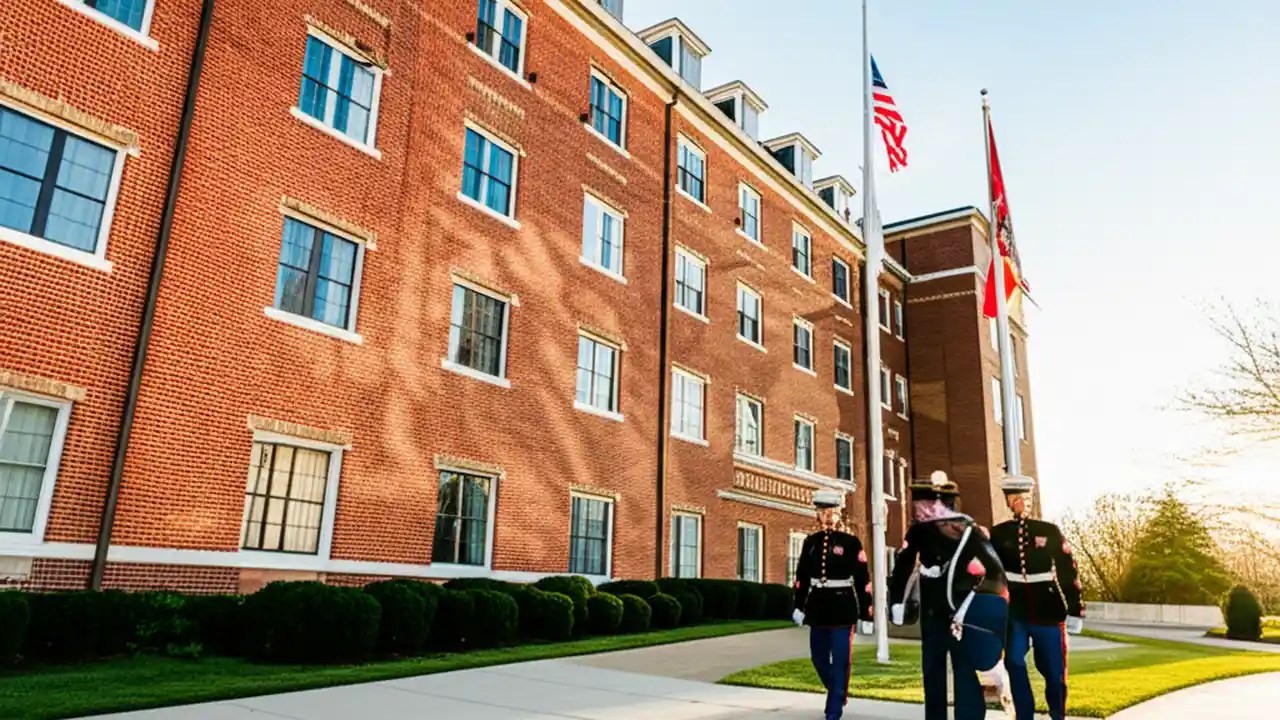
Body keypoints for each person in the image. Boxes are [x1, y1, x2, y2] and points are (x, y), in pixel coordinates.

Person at [889, 471, 1007, 720]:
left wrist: (977, 601)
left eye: (924, 504)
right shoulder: (918, 532)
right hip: (932, 611)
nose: (919, 510)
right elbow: (903, 565)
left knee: (964, 667)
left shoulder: (968, 530)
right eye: (917, 505)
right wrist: (897, 601)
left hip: (960, 611)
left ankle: (970, 716)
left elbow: (995, 570)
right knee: (932, 669)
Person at [989, 475, 1084, 720]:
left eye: (1024, 498)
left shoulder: (1048, 531)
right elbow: (990, 569)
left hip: (1048, 608)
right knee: (1014, 662)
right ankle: (1024, 714)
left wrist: (1074, 608)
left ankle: (1057, 714)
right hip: (1016, 610)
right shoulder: (999, 534)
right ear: (1008, 502)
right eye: (1015, 498)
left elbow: (1067, 569)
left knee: (1054, 671)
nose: (1020, 503)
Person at [792, 489, 873, 720]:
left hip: (842, 608)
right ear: (818, 515)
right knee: (818, 657)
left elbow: (863, 581)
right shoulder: (811, 543)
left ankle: (833, 709)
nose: (827, 516)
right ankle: (838, 691)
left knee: (840, 660)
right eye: (823, 512)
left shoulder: (851, 542)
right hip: (817, 608)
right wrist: (798, 606)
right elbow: (802, 577)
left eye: (832, 512)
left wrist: (866, 614)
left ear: (839, 514)